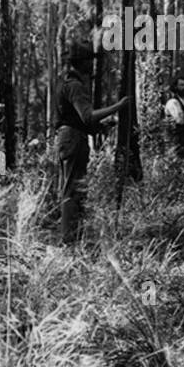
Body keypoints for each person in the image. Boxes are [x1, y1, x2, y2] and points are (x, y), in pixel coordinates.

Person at [56, 41, 128, 244]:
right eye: (89, 61)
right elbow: (87, 116)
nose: (91, 66)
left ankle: (74, 238)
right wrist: (118, 106)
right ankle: (69, 241)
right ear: (82, 63)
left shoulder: (67, 83)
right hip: (72, 139)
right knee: (71, 190)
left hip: (72, 136)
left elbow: (80, 121)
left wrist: (102, 127)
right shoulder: (74, 86)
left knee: (76, 189)